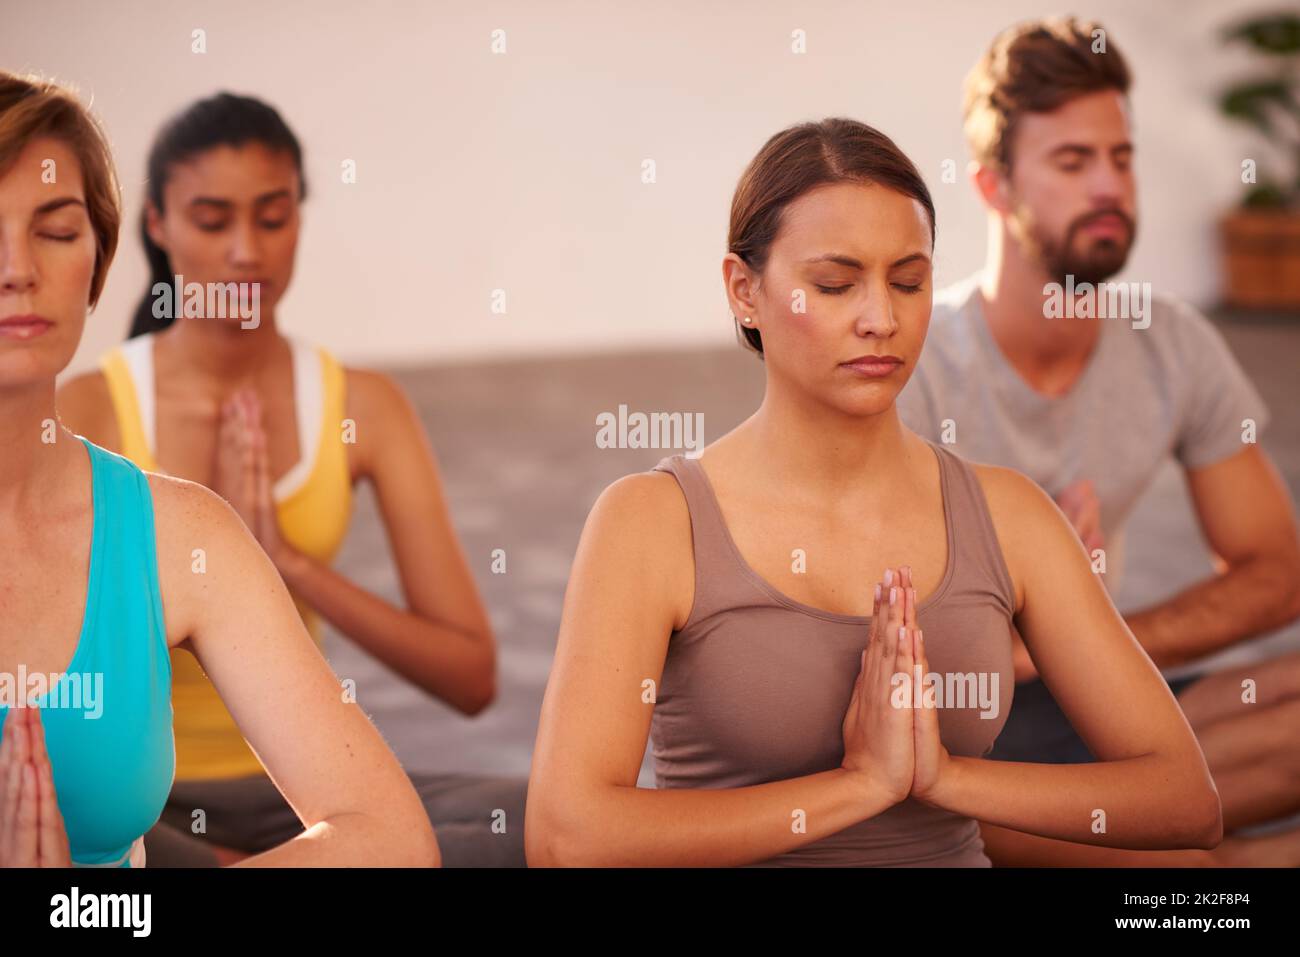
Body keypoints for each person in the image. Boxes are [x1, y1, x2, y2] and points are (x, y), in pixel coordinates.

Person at [525, 117, 1222, 867]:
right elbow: (569, 839)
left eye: (909, 281)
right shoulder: (652, 522)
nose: (881, 319)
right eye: (834, 284)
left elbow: (1184, 798)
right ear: (744, 291)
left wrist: (947, 778)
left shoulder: (1008, 513)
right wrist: (860, 785)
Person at [56, 92, 527, 867]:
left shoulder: (365, 407)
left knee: (544, 827)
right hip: (145, 797)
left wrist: (287, 567)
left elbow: (469, 676)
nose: (246, 250)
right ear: (156, 224)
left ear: (300, 220)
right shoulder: (90, 407)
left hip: (299, 790)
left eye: (272, 217)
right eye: (212, 220)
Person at [896, 16, 1300, 866]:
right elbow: (841, 642)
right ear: (994, 189)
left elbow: (1274, 570)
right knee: (1185, 867)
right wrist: (1016, 624)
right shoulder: (911, 364)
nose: (1109, 185)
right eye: (1073, 162)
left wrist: (1082, 638)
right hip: (954, 740)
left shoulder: (1173, 343)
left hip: (1101, 702)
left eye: (1121, 157)